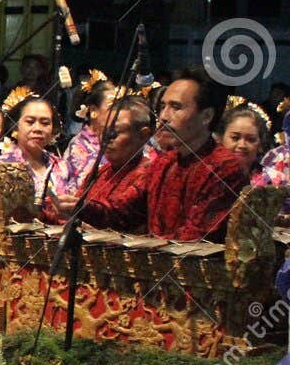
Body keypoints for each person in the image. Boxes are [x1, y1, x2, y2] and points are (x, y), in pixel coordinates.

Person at [48, 69, 246, 241]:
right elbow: (123, 212)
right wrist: (82, 207)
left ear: (207, 116)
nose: (165, 116)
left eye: (176, 107)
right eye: (162, 107)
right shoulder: (165, 162)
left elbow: (198, 235)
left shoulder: (224, 166)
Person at [45, 98, 154, 231]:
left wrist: (80, 209)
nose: (106, 138)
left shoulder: (149, 173)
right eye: (102, 131)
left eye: (115, 132)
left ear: (143, 135)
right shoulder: (101, 171)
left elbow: (118, 214)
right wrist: (42, 213)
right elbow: (72, 218)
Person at [0, 93, 68, 203]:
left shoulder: (62, 166)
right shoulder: (1, 165)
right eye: (30, 122)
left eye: (45, 123)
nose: (37, 128)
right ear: (16, 126)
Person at [58, 81, 117, 196]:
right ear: (94, 111)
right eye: (112, 106)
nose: (119, 111)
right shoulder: (78, 146)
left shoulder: (120, 138)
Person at [215, 102, 269, 176]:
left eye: (251, 139)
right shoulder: (206, 175)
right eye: (235, 138)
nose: (242, 145)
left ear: (260, 145)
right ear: (221, 139)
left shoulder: (270, 179)